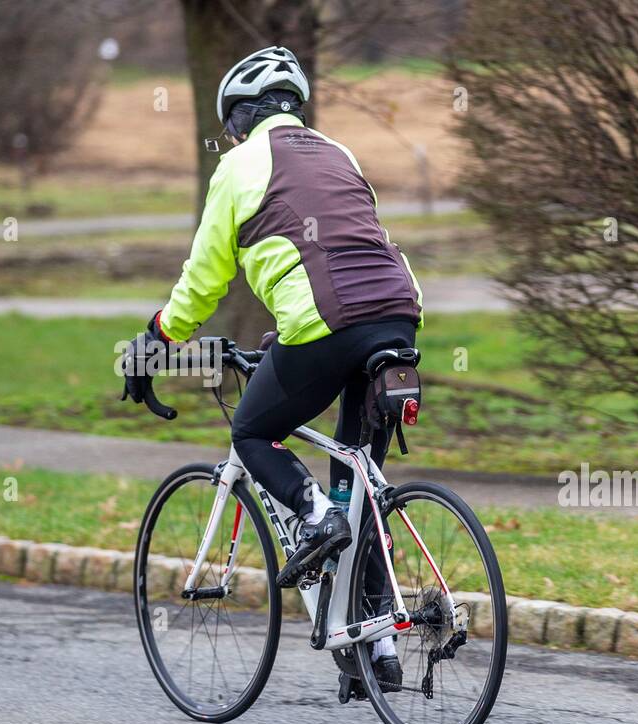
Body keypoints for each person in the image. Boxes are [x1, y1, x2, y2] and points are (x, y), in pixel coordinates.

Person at [120, 45, 421, 689]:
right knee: (358, 479)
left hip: (324, 321)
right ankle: (379, 645)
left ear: (244, 116)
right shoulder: (338, 152)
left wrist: (151, 344)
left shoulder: (238, 166)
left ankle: (312, 515)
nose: (228, 137)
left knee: (253, 433)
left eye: (230, 125)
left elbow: (203, 282)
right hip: (398, 313)